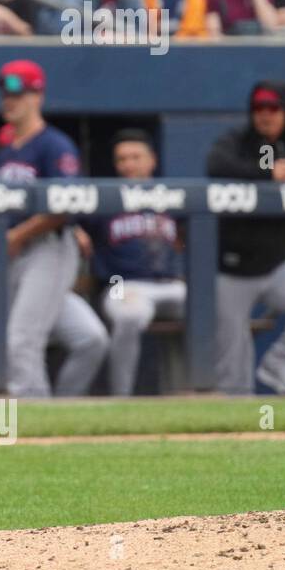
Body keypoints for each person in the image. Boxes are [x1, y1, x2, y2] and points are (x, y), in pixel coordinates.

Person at [0, 61, 101, 397]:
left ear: (37, 96)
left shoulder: (55, 144)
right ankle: (63, 411)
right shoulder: (7, 149)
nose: (10, 101)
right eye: (6, 95)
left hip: (46, 248)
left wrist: (19, 234)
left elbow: (66, 202)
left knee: (21, 340)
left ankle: (33, 419)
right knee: (90, 339)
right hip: (18, 254)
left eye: (19, 94)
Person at [206, 81, 285, 395]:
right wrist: (269, 173)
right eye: (259, 108)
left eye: (273, 108)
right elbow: (217, 165)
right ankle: (236, 429)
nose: (265, 115)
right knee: (232, 364)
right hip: (233, 269)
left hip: (278, 265)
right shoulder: (237, 141)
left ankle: (278, 361)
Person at [85, 130, 185, 395]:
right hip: (122, 286)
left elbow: (189, 237)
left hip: (171, 284)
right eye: (122, 159)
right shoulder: (105, 198)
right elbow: (68, 216)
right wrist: (76, 231)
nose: (128, 164)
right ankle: (122, 399)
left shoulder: (172, 197)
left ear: (152, 160)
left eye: (135, 157)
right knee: (130, 316)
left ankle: (198, 393)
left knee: (211, 310)